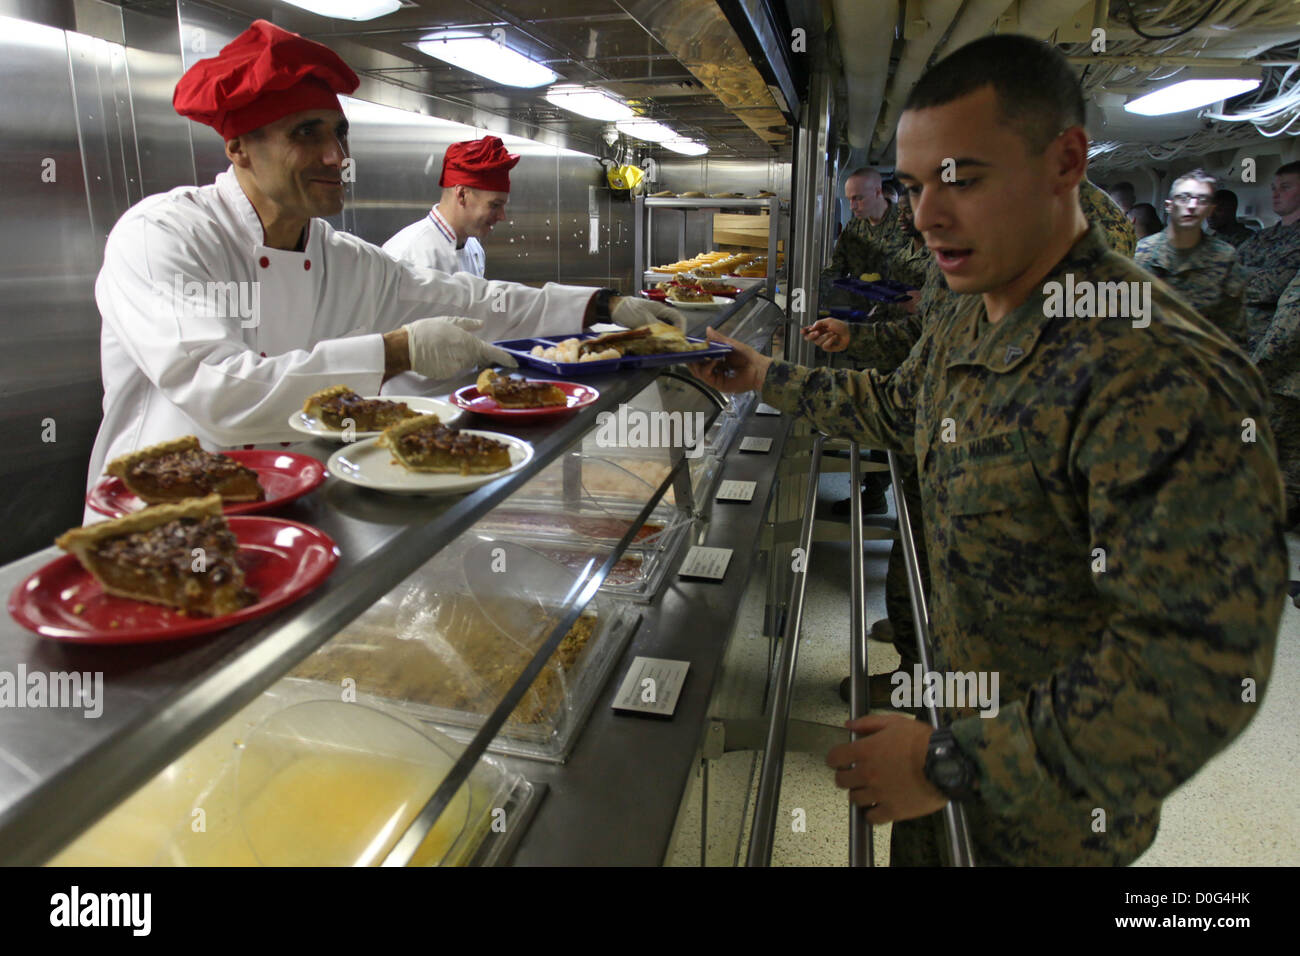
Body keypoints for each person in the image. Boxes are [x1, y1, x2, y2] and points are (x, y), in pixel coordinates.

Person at [694, 34, 1284, 866]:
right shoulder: (972, 308)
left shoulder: (1154, 371)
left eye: (962, 179)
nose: (928, 215)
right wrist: (768, 376)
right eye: (912, 187)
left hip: (1047, 815)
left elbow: (1195, 668)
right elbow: (904, 410)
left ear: (1065, 161)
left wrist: (950, 761)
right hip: (945, 732)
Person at [86, 21, 677, 504]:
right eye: (307, 133)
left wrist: (598, 304)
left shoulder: (341, 258)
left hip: (291, 496)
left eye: (340, 135)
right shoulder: (164, 234)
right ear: (239, 147)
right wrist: (396, 351)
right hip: (155, 518)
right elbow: (219, 388)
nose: (334, 155)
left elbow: (470, 300)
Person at [1135, 169, 1247, 342]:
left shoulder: (1224, 258)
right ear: (1169, 206)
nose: (1192, 205)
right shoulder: (1141, 253)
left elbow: (1234, 327)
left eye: (1202, 200)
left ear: (1210, 209)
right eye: (1184, 197)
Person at [383, 135, 513, 277]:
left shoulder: (474, 248)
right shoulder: (407, 254)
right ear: (462, 195)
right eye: (494, 205)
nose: (502, 216)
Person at [1237, 161, 1300, 352]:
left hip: (1269, 348)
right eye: (1273, 188)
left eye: (1285, 187)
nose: (1275, 194)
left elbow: (1270, 288)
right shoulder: (1262, 236)